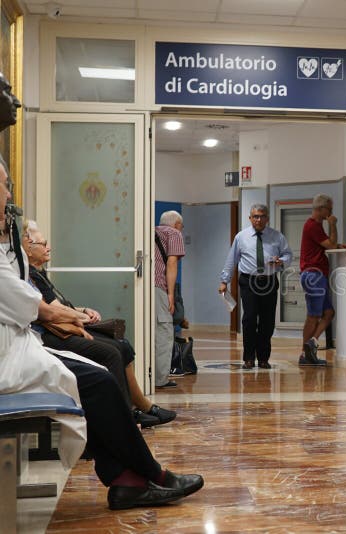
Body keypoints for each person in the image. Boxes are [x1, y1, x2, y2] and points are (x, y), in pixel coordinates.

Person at [0, 164, 203, 510]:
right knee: (99, 381)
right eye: (5, 186)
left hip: (22, 345)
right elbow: (35, 306)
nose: (9, 195)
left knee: (100, 374)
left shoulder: (9, 246)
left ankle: (127, 479)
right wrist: (75, 317)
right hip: (11, 357)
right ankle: (146, 474)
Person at [23, 219, 176, 427]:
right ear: (28, 248)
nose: (49, 247)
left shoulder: (38, 273)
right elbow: (52, 311)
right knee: (113, 351)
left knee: (122, 345)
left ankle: (138, 407)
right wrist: (80, 318)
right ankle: (127, 416)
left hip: (62, 327)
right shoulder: (29, 275)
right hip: (50, 335)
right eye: (43, 244)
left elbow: (58, 306)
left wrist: (83, 311)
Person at [219, 204, 292, 369]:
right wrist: (224, 281)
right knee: (249, 319)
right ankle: (249, 358)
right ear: (250, 218)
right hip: (248, 281)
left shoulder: (277, 236)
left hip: (269, 281)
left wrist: (281, 261)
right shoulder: (241, 237)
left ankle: (264, 358)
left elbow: (288, 254)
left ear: (267, 218)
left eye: (262, 216)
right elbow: (232, 259)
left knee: (267, 321)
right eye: (255, 216)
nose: (258, 220)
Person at [298, 194, 346, 367]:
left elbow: (326, 244)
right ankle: (305, 354)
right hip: (313, 275)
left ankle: (311, 344)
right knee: (313, 316)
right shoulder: (312, 226)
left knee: (328, 313)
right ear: (321, 208)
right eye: (329, 209)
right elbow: (331, 244)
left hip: (318, 275)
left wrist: (338, 245)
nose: (331, 212)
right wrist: (333, 224)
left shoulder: (316, 226)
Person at [154, 210, 185, 387]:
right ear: (177, 224)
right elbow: (172, 263)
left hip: (141, 286)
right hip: (158, 286)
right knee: (164, 330)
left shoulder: (150, 231)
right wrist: (171, 294)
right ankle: (160, 378)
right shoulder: (174, 233)